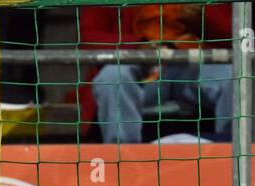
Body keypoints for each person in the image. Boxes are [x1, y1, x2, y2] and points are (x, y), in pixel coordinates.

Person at [91, 3, 235, 143]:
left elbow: (238, 33)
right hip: (140, 64)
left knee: (237, 75)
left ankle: (233, 153)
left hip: (194, 61)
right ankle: (123, 159)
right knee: (112, 76)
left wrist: (202, 14)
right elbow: (89, 36)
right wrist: (138, 45)